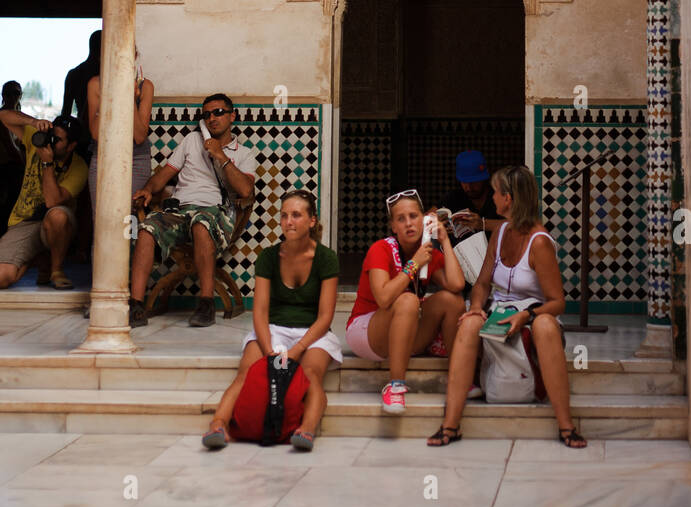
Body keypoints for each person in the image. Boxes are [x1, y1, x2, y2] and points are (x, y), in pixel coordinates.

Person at [427, 164, 587, 448]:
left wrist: (527, 314)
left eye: (496, 192)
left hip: (535, 313)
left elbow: (558, 302)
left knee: (546, 326)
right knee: (468, 324)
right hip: (501, 310)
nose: (493, 197)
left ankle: (566, 426)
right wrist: (476, 307)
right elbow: (483, 283)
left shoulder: (540, 242)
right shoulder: (500, 232)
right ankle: (450, 424)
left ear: (508, 199)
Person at [203, 190, 341, 451]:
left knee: (310, 375)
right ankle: (218, 425)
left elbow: (325, 317)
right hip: (272, 329)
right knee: (246, 372)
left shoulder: (326, 258)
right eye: (285, 215)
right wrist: (269, 354)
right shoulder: (268, 257)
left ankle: (307, 430)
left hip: (313, 333)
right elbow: (260, 312)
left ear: (312, 221)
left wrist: (297, 350)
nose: (289, 221)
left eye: (297, 215)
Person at [129, 93, 256, 328]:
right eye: (206, 114)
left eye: (218, 112)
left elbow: (246, 191)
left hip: (214, 211)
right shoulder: (191, 140)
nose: (212, 118)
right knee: (146, 228)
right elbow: (164, 175)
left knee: (202, 223)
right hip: (180, 209)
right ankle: (136, 305)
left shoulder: (244, 153)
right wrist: (148, 189)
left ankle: (206, 304)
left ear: (232, 116)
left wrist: (220, 155)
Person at [345, 189, 465, 414]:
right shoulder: (380, 249)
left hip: (403, 330)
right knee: (408, 300)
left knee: (452, 300)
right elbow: (383, 298)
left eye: (413, 216)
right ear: (393, 226)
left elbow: (457, 285)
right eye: (401, 219)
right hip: (367, 331)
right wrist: (413, 265)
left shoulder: (427, 251)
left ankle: (459, 379)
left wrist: (445, 241)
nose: (409, 223)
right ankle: (395, 386)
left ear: (424, 220)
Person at [0, 111, 87, 290]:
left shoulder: (79, 167)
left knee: (56, 215)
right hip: (24, 222)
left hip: (57, 226)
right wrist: (33, 122)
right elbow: (3, 115)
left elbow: (52, 201)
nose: (50, 142)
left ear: (71, 146)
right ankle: (37, 259)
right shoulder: (37, 141)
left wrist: (47, 163)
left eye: (57, 140)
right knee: (2, 277)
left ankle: (56, 270)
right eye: (51, 136)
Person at [87, 45, 154, 217]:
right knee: (102, 218)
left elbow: (139, 136)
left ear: (135, 55)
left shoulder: (145, 86)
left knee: (128, 219)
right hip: (103, 157)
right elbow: (95, 134)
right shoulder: (96, 84)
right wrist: (111, 91)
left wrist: (129, 96)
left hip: (136, 158)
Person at [442, 149, 505, 238]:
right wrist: (438, 225)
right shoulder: (453, 197)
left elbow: (518, 226)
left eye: (474, 182)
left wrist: (483, 224)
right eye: (464, 182)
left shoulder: (497, 196)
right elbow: (426, 219)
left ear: (484, 179)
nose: (469, 187)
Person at [61, 30, 101, 153]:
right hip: (102, 132)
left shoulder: (74, 73)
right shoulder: (108, 74)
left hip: (81, 134)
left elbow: (65, 113)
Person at [0, 81, 25, 235]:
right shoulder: (3, 116)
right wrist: (24, 165)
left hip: (13, 166)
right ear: (3, 95)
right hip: (5, 167)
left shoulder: (19, 116)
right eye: (8, 93)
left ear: (20, 95)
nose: (12, 97)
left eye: (15, 93)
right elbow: (10, 146)